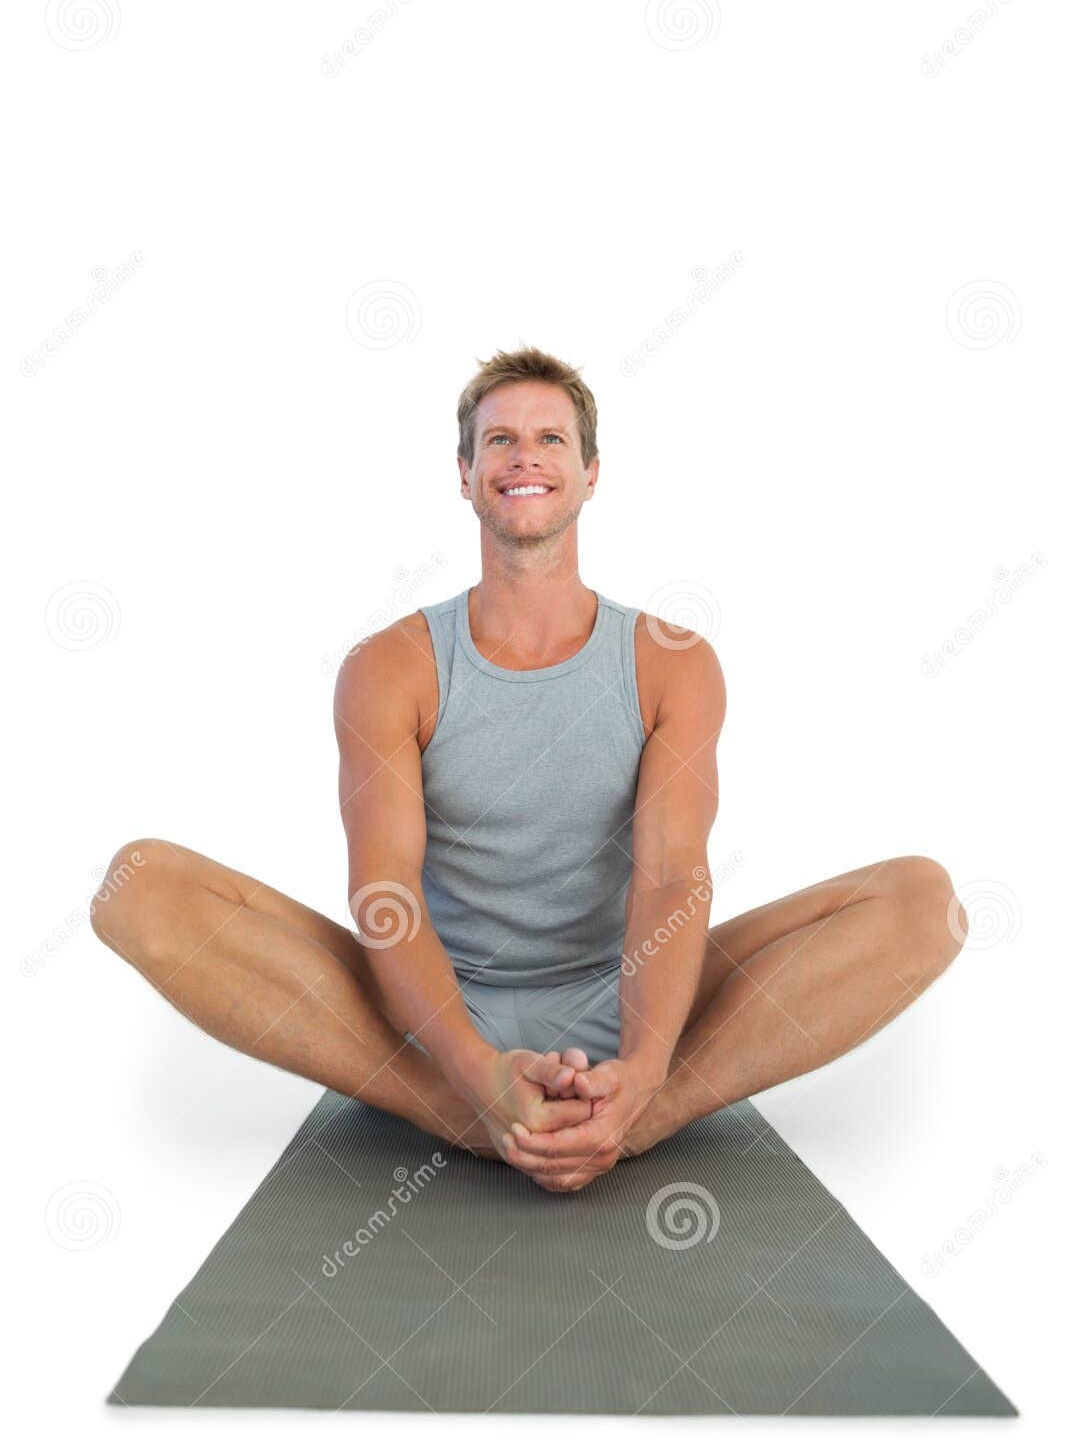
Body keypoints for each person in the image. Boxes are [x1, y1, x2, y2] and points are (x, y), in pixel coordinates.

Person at [91, 345, 968, 1193]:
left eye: (550, 439)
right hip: (432, 1014)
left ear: (591, 473)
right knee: (138, 888)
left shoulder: (672, 660)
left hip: (622, 992)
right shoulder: (391, 665)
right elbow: (383, 888)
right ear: (466, 475)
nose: (525, 457)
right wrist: (472, 1070)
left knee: (920, 901)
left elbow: (669, 876)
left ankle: (632, 1119)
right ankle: (455, 1115)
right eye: (499, 440)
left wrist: (646, 1070)